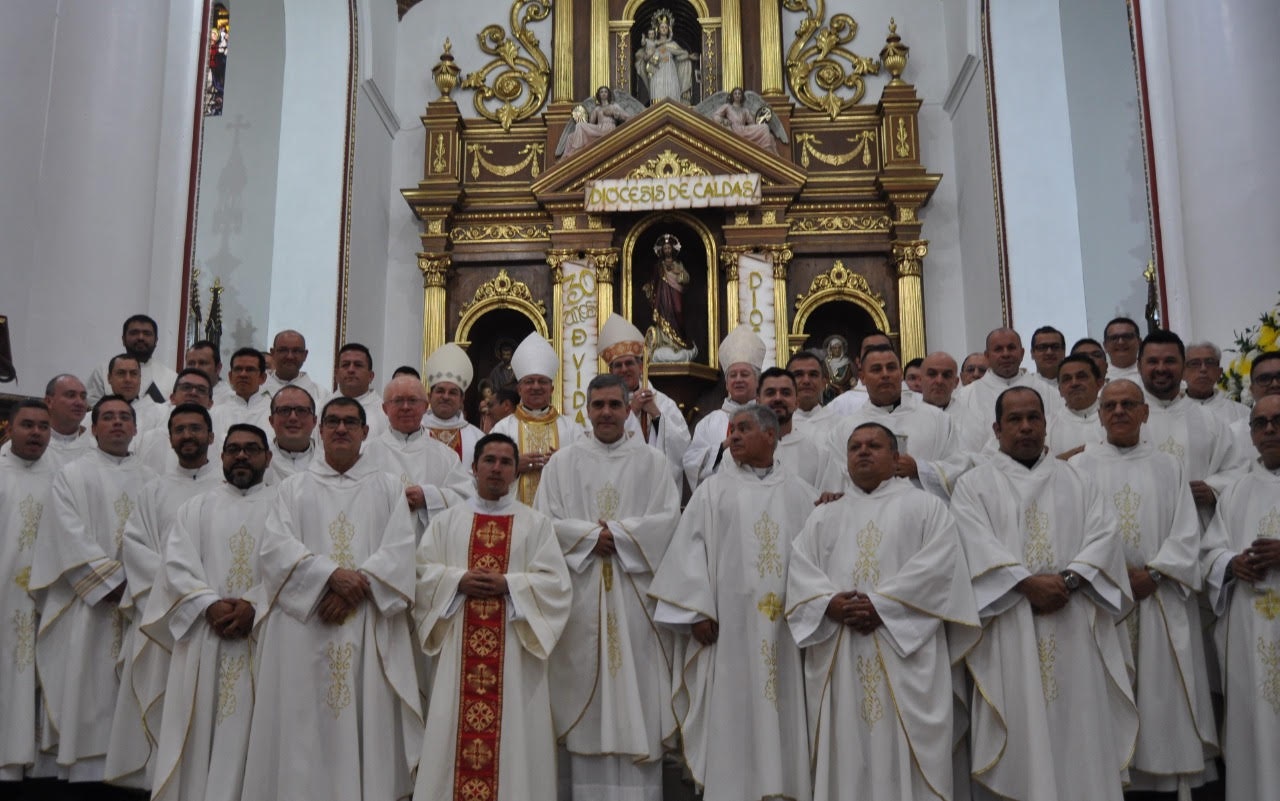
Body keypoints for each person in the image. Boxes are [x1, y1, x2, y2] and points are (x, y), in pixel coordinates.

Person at [950, 387, 1135, 801]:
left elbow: (1105, 536)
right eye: (1014, 420)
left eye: (1033, 417)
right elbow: (972, 542)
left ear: (1046, 423)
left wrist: (1068, 580)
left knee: (1080, 731)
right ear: (997, 429)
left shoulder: (1078, 480)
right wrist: (1026, 583)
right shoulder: (974, 485)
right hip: (1009, 628)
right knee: (1019, 729)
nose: (1026, 427)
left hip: (1074, 622)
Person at [240, 396, 422, 801]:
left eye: (350, 423)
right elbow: (273, 551)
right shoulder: (292, 488)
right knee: (300, 726)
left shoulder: (387, 486)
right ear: (320, 430)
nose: (341, 429)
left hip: (366, 621)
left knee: (363, 719)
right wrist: (330, 577)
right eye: (333, 422)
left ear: (365, 432)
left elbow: (400, 549)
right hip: (303, 628)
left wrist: (358, 586)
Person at [786, 422, 980, 801]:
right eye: (855, 446)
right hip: (840, 653)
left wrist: (882, 605)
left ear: (896, 458)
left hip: (907, 653)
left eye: (873, 445)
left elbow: (941, 569)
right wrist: (831, 603)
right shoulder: (824, 516)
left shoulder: (927, 507)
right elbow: (800, 571)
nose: (863, 452)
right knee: (846, 750)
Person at [651, 406, 815, 801]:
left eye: (744, 429)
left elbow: (817, 559)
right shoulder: (712, 491)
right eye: (731, 430)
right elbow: (689, 551)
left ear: (771, 436)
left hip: (788, 635)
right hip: (729, 632)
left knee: (786, 710)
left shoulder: (802, 493)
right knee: (734, 712)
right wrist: (696, 612)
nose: (733, 437)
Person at [533, 375, 680, 801]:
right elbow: (544, 523)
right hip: (579, 596)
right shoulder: (563, 463)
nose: (606, 413)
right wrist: (588, 538)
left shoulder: (652, 462)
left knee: (636, 689)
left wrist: (617, 535)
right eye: (598, 405)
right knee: (580, 696)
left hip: (636, 601)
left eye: (615, 405)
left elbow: (668, 519)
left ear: (629, 409)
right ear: (587, 409)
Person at [1070, 380, 1218, 794]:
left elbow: (1187, 533)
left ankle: (1163, 782)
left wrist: (1153, 573)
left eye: (1128, 404)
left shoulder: (1168, 465)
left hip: (1158, 599)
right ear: (1099, 416)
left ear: (1144, 413)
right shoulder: (1081, 467)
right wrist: (1112, 576)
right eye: (1110, 405)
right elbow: (1075, 531)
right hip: (1105, 602)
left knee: (1161, 698)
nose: (1119, 411)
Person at [414, 433, 572, 801]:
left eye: (505, 462)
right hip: (458, 650)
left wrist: (508, 584)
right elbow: (421, 574)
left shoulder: (535, 524)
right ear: (474, 467)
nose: (497, 469)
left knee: (514, 739)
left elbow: (556, 586)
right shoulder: (448, 521)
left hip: (515, 655)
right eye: (490, 460)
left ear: (517, 471)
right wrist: (457, 580)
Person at [28, 396, 156, 788]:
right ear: (94, 427)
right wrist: (111, 581)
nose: (117, 424)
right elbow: (65, 532)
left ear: (136, 428)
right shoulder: (71, 474)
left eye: (124, 418)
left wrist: (138, 583)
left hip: (139, 605)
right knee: (86, 687)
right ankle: (83, 773)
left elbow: (164, 538)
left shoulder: (153, 480)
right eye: (108, 418)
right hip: (88, 606)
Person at [143, 424, 276, 801]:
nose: (241, 456)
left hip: (262, 638)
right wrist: (208, 604)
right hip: (205, 637)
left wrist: (254, 604)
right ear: (221, 457)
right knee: (199, 735)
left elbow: (291, 567)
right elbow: (176, 566)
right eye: (233, 449)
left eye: (252, 449)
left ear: (268, 457)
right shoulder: (196, 507)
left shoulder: (285, 505)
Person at [106, 403, 223, 789]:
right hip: (166, 619)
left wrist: (209, 601)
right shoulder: (152, 490)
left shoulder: (228, 489)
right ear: (169, 437)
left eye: (195, 428)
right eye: (180, 429)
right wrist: (189, 596)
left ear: (210, 435)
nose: (187, 436)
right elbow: (135, 548)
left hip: (215, 623)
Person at [1200, 394, 1280, 801]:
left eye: (1277, 420)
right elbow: (1210, 551)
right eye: (1260, 423)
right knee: (1255, 723)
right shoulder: (1236, 491)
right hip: (1250, 629)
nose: (1269, 429)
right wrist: (1231, 565)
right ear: (1250, 434)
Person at [827, 344, 967, 500]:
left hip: (924, 514)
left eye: (891, 368)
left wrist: (919, 469)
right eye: (876, 369)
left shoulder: (939, 419)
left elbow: (961, 468)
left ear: (900, 374)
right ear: (863, 378)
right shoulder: (845, 428)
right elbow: (836, 481)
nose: (885, 374)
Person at [0, 401, 56, 786]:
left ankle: (38, 763)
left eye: (42, 427)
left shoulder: (62, 477)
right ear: (9, 428)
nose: (35, 433)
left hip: (49, 597)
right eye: (27, 425)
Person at [1137, 330, 1239, 515]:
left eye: (1170, 361)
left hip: (1198, 527)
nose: (1161, 368)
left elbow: (1236, 468)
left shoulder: (1210, 420)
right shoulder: (1125, 420)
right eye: (1152, 361)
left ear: (1183, 367)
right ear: (1139, 367)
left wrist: (1213, 489)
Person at [598, 314, 690, 492]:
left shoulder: (663, 403)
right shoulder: (602, 404)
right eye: (618, 365)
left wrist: (656, 416)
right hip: (618, 485)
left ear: (641, 367)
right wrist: (632, 411)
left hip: (653, 486)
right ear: (610, 370)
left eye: (629, 363)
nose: (624, 369)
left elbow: (682, 447)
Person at [490, 333, 583, 505]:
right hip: (515, 515)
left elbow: (587, 474)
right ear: (519, 389)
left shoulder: (572, 430)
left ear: (552, 389)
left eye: (542, 382)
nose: (536, 387)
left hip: (559, 519)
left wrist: (563, 465)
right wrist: (514, 467)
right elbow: (486, 475)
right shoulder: (502, 430)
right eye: (529, 381)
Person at [362, 375, 460, 532]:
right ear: (385, 409)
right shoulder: (365, 453)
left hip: (426, 547)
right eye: (398, 401)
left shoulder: (448, 458)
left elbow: (464, 499)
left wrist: (428, 497)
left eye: (413, 400)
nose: (405, 407)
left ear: (425, 406)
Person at [683, 324, 763, 489]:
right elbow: (691, 463)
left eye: (745, 374)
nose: (738, 379)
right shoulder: (709, 423)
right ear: (726, 384)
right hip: (721, 499)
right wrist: (722, 447)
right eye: (733, 375)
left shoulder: (767, 418)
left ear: (757, 382)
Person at [759, 366, 845, 493]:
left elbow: (829, 500)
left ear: (796, 402)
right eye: (770, 393)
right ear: (758, 401)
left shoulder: (820, 450)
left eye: (785, 393)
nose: (778, 398)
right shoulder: (741, 451)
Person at [957, 328, 1036, 452]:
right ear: (987, 356)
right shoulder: (964, 396)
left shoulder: (1047, 392)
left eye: (1011, 348)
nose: (1005, 354)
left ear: (1022, 353)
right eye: (998, 349)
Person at [133, 368, 216, 474]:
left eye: (201, 390)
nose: (193, 393)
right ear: (172, 398)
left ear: (210, 403)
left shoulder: (221, 440)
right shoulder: (148, 439)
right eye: (186, 387)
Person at [86, 314, 178, 406]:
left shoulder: (171, 378)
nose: (141, 337)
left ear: (156, 341)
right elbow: (91, 411)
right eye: (134, 333)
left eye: (147, 333)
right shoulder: (102, 371)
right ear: (123, 339)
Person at [423, 342, 485, 465]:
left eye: (452, 393)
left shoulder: (478, 438)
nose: (446, 397)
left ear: (462, 399)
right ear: (429, 397)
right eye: (440, 391)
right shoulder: (415, 432)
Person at [643, 233, 696, 361]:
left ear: (672, 249)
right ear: (662, 250)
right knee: (663, 316)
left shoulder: (678, 264)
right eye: (665, 248)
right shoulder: (659, 266)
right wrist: (649, 287)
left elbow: (686, 278)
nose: (667, 250)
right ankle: (665, 342)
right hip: (662, 297)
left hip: (675, 293)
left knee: (678, 311)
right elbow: (654, 281)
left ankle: (678, 342)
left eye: (669, 248)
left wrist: (680, 275)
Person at [1045, 353, 1103, 458]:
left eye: (1081, 377)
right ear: (1060, 390)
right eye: (1067, 379)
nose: (1074, 383)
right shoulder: (1047, 426)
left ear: (1099, 383)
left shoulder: (1118, 417)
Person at [633, 10, 693, 105]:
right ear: (657, 29)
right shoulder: (652, 44)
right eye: (662, 27)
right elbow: (643, 58)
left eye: (666, 27)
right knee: (657, 96)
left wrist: (688, 57)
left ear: (669, 29)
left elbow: (681, 57)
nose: (664, 29)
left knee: (672, 96)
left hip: (670, 72)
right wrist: (649, 55)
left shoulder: (673, 44)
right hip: (657, 73)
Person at [326, 342, 385, 437]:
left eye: (358, 365)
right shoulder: (319, 408)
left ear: (371, 376)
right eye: (345, 365)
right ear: (336, 374)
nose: (351, 370)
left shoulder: (385, 413)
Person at [1184, 340, 1249, 423]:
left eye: (1210, 362)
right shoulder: (1170, 412)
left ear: (1219, 372)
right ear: (1182, 373)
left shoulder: (1241, 413)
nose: (1203, 369)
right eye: (1194, 363)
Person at [211, 347, 271, 434]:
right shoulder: (215, 414)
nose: (243, 374)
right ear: (230, 376)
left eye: (250, 369)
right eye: (238, 369)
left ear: (262, 378)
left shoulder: (273, 412)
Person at [264, 386, 317, 483]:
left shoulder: (330, 462)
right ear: (271, 421)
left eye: (301, 410)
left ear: (314, 421)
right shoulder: (259, 462)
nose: (293, 418)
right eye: (284, 410)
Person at [562, 86, 633, 157]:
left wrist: (614, 113)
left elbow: (627, 117)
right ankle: (565, 157)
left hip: (608, 128)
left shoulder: (614, 106)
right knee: (570, 137)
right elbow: (591, 123)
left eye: (605, 92)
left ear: (608, 94)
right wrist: (588, 113)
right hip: (599, 128)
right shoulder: (597, 109)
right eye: (601, 92)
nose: (604, 93)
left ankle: (576, 150)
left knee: (580, 125)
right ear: (599, 95)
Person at [107, 352, 166, 433]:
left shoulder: (161, 414)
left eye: (133, 374)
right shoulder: (94, 416)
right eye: (121, 373)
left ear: (140, 378)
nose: (128, 379)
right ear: (109, 378)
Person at [711, 87, 778, 154]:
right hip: (733, 129)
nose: (737, 95)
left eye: (739, 94)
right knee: (765, 128)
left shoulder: (745, 110)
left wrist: (764, 112)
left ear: (741, 96)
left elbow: (753, 124)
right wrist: (724, 120)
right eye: (735, 93)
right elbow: (715, 116)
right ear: (732, 96)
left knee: (765, 127)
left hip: (744, 130)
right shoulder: (727, 107)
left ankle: (767, 149)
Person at [42, 373, 91, 462]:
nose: (80, 402)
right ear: (49, 401)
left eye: (83, 397)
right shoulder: (29, 441)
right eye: (71, 395)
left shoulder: (96, 444)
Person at [263, 329, 321, 402]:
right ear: (273, 353)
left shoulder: (322, 396)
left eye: (296, 351)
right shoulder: (256, 391)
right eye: (283, 350)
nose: (290, 356)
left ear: (305, 355)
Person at [786, 349, 832, 430]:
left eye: (813, 375)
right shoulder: (776, 426)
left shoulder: (839, 424)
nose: (806, 381)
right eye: (798, 375)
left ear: (824, 383)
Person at [1027, 326, 1067, 415]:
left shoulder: (1074, 386)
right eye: (1042, 347)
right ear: (1032, 353)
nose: (1049, 352)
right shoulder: (1025, 387)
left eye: (1055, 347)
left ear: (1064, 352)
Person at [185, 339, 233, 406]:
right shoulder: (179, 396)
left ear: (218, 368)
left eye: (202, 363)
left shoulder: (230, 401)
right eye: (191, 363)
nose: (196, 368)